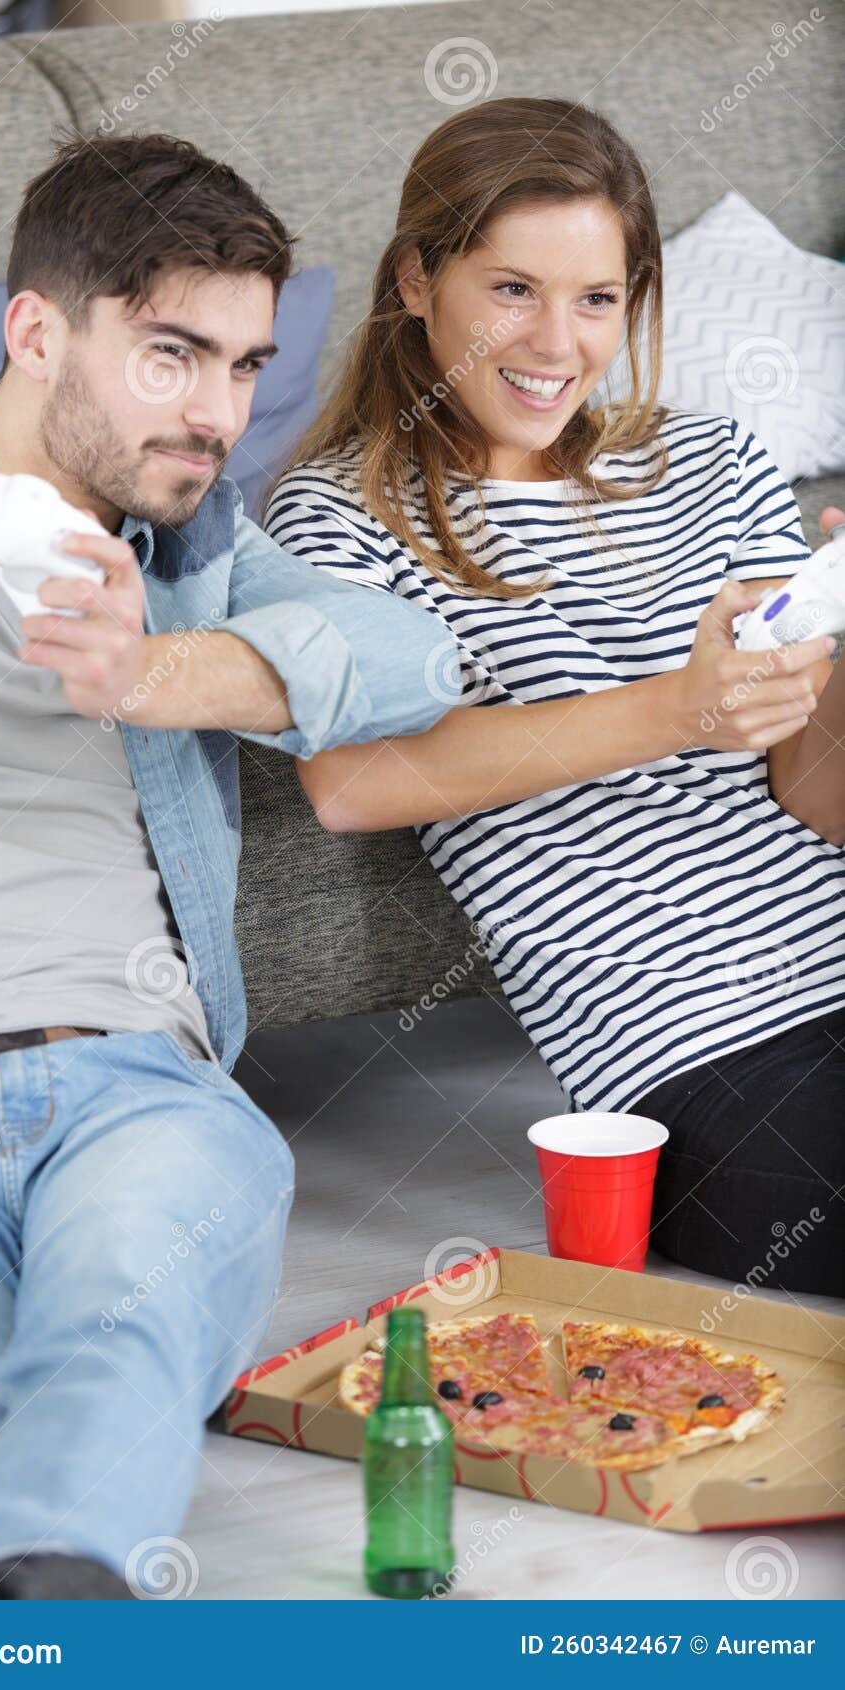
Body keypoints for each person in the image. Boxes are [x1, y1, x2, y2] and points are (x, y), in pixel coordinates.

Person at [0, 131, 469, 1600]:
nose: (217, 412)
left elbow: (417, 657)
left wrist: (156, 674)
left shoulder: (199, 562)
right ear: (35, 331)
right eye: (172, 354)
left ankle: (26, 1594)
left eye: (242, 364)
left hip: (138, 1086)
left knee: (113, 1326)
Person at [264, 98, 845, 1296]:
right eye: (511, 290)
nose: (555, 343)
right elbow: (353, 780)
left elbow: (811, 783)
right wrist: (674, 708)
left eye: (595, 298)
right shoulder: (336, 521)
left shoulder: (715, 460)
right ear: (418, 280)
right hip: (695, 1055)